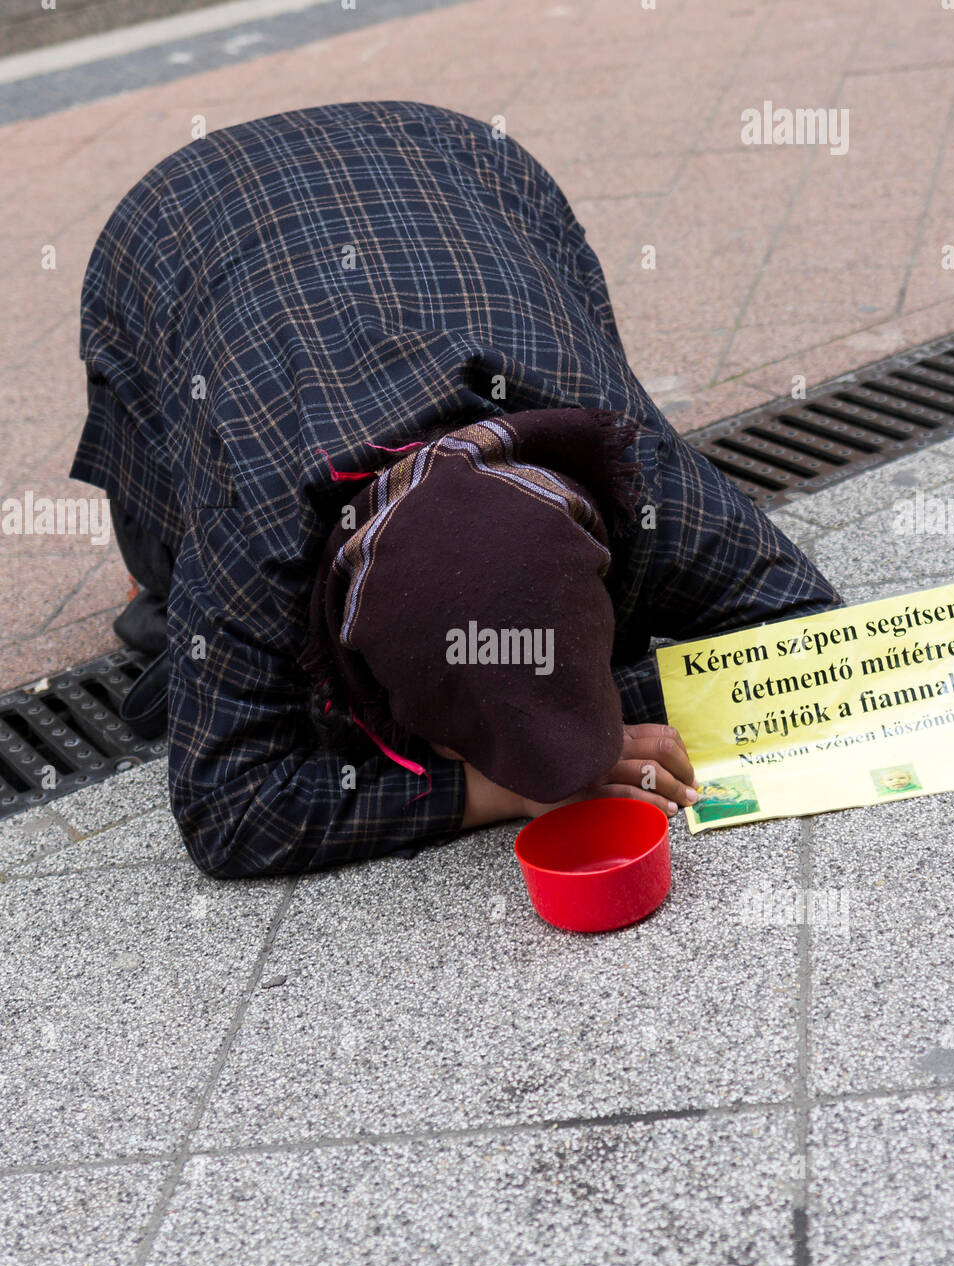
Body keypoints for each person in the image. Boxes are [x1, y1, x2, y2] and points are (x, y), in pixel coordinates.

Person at [70, 100, 842, 880]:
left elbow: (806, 636)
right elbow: (230, 814)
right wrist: (493, 787)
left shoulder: (640, 475)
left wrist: (586, 717)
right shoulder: (252, 536)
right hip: (175, 225)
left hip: (455, 162)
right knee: (167, 577)